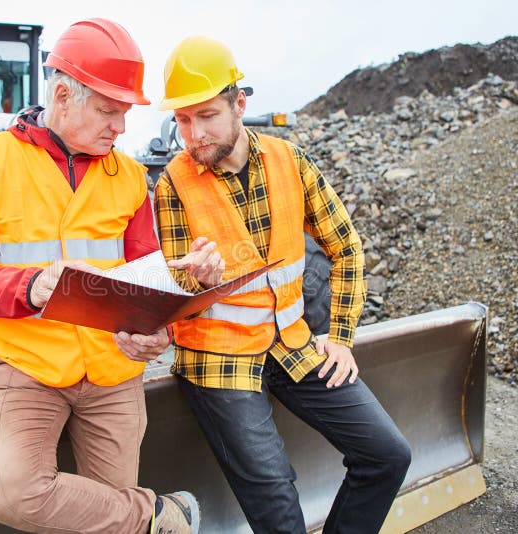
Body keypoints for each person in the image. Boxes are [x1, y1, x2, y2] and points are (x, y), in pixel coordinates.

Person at [0, 19, 200, 534]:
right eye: (109, 111)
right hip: (24, 362)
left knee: (97, 523)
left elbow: (147, 277)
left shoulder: (132, 179)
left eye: (125, 114)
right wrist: (29, 286)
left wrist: (155, 333)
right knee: (10, 491)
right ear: (61, 94)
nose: (120, 127)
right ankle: (161, 517)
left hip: (112, 367)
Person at [153, 36, 412, 534]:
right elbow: (171, 292)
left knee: (387, 454)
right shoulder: (173, 184)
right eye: (183, 120)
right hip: (218, 361)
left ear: (239, 104)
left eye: (205, 115)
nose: (194, 134)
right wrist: (194, 281)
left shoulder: (289, 161)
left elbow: (346, 247)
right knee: (279, 506)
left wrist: (340, 336)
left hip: (292, 345)